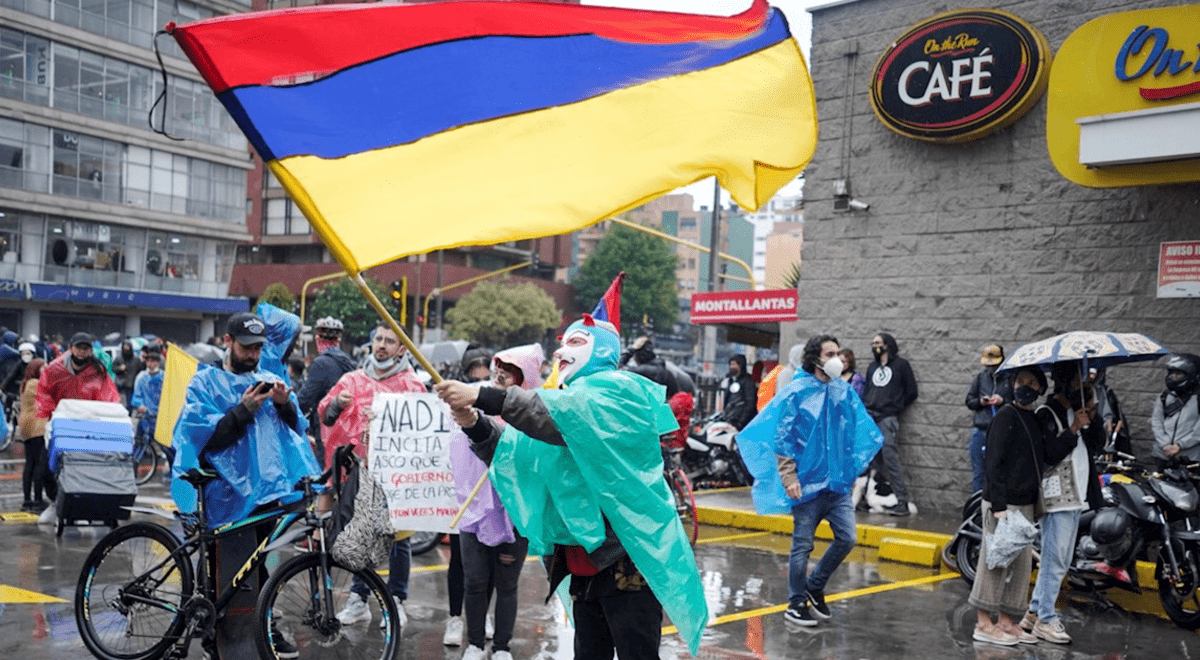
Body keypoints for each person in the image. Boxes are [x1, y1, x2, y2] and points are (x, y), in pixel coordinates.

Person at [435, 311, 707, 659]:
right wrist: (475, 424)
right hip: (584, 563)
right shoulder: (569, 399)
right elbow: (517, 452)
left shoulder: (619, 394)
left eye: (576, 342)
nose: (561, 351)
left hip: (627, 561)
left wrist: (481, 395)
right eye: (562, 343)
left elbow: (558, 414)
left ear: (603, 350)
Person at [171, 312, 318, 659]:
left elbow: (296, 428)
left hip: (266, 491)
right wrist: (242, 410)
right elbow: (203, 441)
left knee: (258, 565)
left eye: (258, 348)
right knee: (222, 569)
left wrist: (284, 405)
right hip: (223, 493)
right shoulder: (205, 382)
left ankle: (263, 627)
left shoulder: (268, 379)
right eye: (246, 347)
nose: (253, 354)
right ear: (228, 342)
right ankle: (215, 635)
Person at [738, 334, 882, 628]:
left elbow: (855, 432)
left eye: (838, 353)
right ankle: (795, 604)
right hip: (805, 485)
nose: (837, 359)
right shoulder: (797, 392)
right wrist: (789, 477)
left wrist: (851, 470)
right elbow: (783, 438)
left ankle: (814, 585)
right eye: (830, 354)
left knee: (848, 538)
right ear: (815, 358)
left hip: (837, 486)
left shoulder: (843, 391)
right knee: (802, 547)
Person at [322, 323, 426, 628]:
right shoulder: (352, 380)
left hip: (398, 475)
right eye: (378, 338)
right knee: (362, 534)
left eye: (389, 340)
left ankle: (396, 599)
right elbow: (326, 416)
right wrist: (337, 404)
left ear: (402, 348)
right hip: (362, 474)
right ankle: (359, 597)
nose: (381, 344)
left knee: (399, 539)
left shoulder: (412, 385)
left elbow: (424, 428)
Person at [450, 344, 542, 660]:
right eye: (497, 370)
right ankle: (475, 644)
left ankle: (502, 647)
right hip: (474, 510)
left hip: (515, 513)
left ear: (524, 379)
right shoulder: (473, 407)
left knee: (507, 585)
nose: (499, 376)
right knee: (474, 582)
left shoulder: (537, 419)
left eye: (509, 373)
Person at [970, 367, 1072, 646]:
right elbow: (993, 462)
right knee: (994, 563)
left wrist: (1074, 429)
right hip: (1002, 504)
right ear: (1012, 385)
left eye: (1031, 382)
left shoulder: (1034, 419)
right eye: (1020, 381)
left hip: (1025, 505)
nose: (1024, 386)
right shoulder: (1005, 416)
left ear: (1040, 389)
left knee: (1020, 567)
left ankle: (1006, 622)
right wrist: (998, 506)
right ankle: (983, 624)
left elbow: (1049, 454)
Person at [1016, 361, 1102, 645]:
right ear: (1065, 381)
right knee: (1054, 560)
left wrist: (1091, 416)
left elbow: (1098, 444)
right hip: (1056, 500)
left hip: (1077, 497)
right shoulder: (1046, 413)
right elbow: (1049, 455)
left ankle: (1033, 614)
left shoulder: (1079, 410)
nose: (1083, 385)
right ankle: (1046, 619)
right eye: (1079, 380)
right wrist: (1074, 428)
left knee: (1061, 560)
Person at [862, 332, 919, 516]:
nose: (875, 346)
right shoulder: (872, 367)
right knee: (872, 460)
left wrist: (895, 407)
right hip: (871, 417)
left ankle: (902, 501)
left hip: (888, 418)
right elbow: (868, 389)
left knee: (890, 457)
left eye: (878, 342)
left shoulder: (901, 365)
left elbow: (911, 391)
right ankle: (869, 498)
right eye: (873, 343)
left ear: (888, 344)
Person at [297, 316, 356, 468]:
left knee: (324, 470)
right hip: (345, 428)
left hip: (325, 427)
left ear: (318, 339)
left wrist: (286, 411)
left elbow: (305, 399)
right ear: (338, 340)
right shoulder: (348, 362)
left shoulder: (321, 363)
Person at [964, 345, 1012, 493]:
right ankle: (978, 504)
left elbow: (1016, 404)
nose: (991, 368)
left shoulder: (1009, 378)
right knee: (978, 474)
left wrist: (1002, 401)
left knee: (1000, 472)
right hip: (981, 430)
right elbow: (969, 401)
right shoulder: (981, 377)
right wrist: (981, 401)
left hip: (1001, 431)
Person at [1150, 353, 1200, 467]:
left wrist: (1180, 445)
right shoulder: (1165, 396)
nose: (1172, 377)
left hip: (1189, 457)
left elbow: (1198, 430)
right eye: (1171, 373)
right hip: (1163, 454)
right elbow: (1156, 422)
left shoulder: (1198, 398)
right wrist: (1165, 444)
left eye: (1178, 374)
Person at [17, 358, 49, 512]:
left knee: (30, 463)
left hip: (28, 426)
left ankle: (27, 500)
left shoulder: (27, 383)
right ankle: (37, 500)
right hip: (36, 426)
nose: (46, 369)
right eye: (43, 367)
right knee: (38, 464)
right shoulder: (35, 383)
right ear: (36, 369)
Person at [131, 347, 164, 448]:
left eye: (152, 361)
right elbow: (137, 396)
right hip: (147, 416)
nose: (150, 364)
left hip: (162, 418)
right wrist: (140, 405)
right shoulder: (142, 378)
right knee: (140, 440)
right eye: (148, 361)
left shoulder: (165, 378)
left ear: (158, 363)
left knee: (164, 445)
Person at [719, 354, 757, 430]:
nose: (731, 367)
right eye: (730, 364)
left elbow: (750, 403)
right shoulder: (730, 380)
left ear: (741, 365)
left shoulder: (748, 381)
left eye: (734, 364)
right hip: (730, 420)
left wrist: (740, 421)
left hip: (741, 423)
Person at [112, 339, 144, 407]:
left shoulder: (136, 359)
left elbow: (140, 371)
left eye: (127, 346)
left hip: (131, 385)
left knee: (130, 405)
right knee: (121, 405)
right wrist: (119, 368)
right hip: (120, 385)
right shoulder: (119, 358)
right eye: (125, 346)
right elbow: (113, 368)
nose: (126, 348)